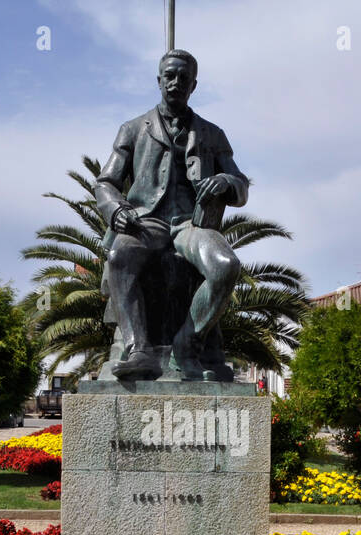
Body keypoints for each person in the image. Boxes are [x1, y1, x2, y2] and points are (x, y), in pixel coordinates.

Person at [96, 49, 249, 380]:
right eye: (170, 76)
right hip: (145, 223)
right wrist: (117, 209)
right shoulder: (133, 129)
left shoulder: (212, 134)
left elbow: (241, 186)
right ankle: (139, 350)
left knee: (227, 267)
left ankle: (187, 343)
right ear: (159, 80)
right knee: (119, 253)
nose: (176, 82)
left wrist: (225, 181)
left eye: (184, 77)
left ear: (194, 84)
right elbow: (106, 183)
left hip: (190, 225)